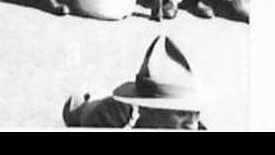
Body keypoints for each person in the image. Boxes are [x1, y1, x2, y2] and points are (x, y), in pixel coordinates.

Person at [64, 36, 204, 129]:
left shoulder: (191, 127)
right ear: (148, 110)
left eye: (196, 113)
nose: (192, 125)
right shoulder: (111, 119)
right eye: (181, 114)